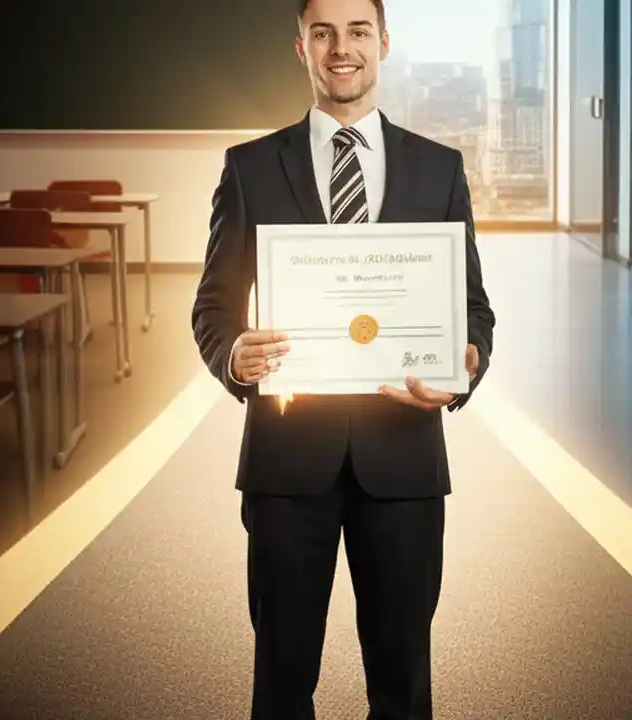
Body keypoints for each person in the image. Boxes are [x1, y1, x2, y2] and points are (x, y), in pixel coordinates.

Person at [191, 0, 494, 717]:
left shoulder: (439, 168)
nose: (341, 48)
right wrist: (237, 353)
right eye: (322, 32)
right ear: (301, 47)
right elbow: (213, 308)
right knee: (283, 685)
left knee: (402, 686)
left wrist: (464, 367)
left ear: (383, 43)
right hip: (287, 462)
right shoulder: (250, 168)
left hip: (405, 459)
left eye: (358, 31)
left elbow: (473, 307)